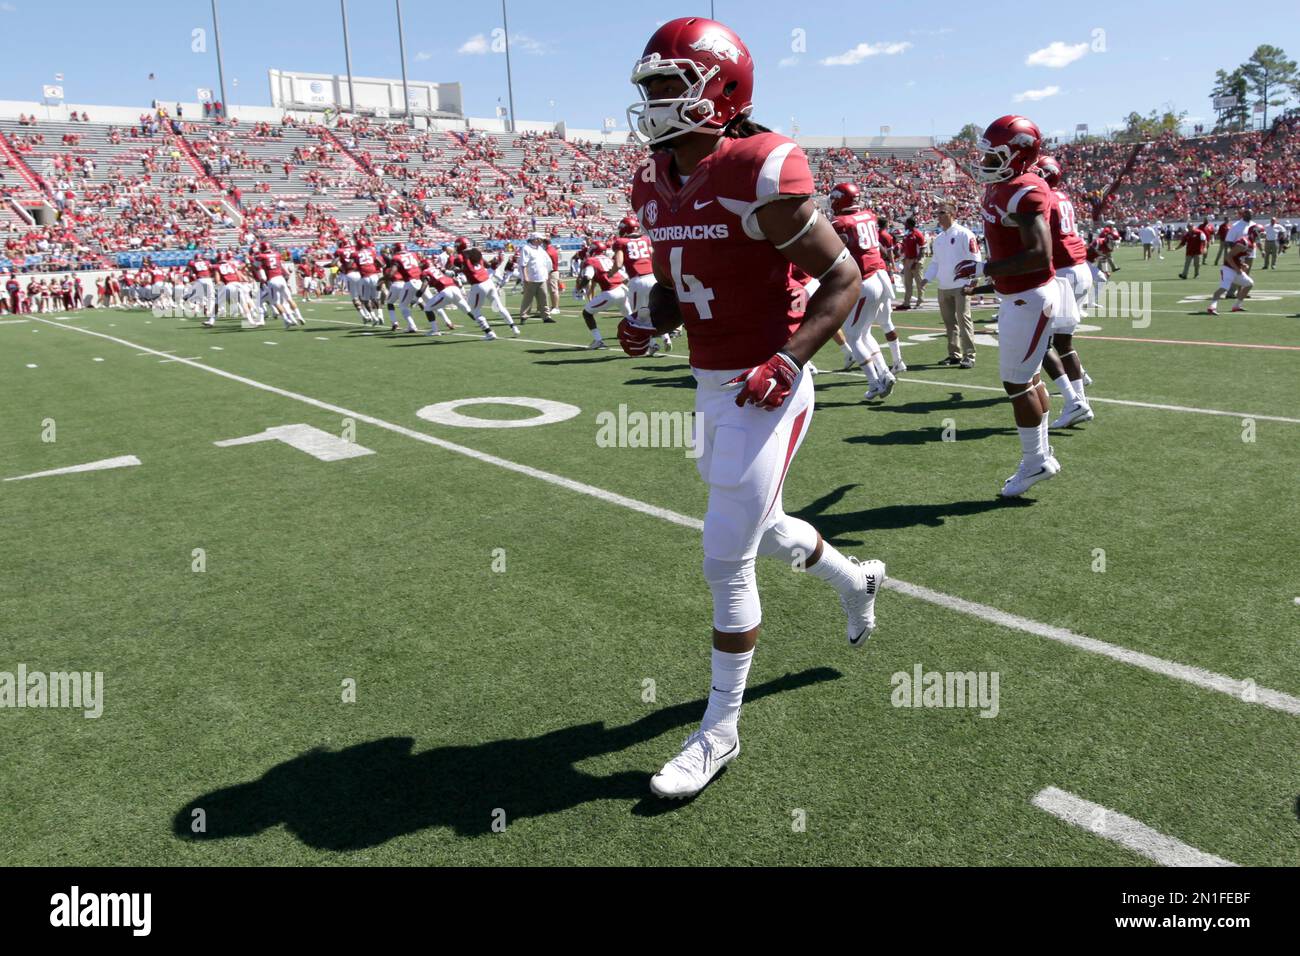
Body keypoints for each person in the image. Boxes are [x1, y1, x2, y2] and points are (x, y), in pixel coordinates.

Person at [621, 16, 886, 799]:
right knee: (763, 524)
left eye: (672, 82)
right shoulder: (652, 180)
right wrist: (649, 319)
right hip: (713, 381)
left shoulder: (761, 167)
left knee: (725, 552)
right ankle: (854, 580)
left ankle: (719, 732)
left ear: (720, 88)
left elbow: (844, 281)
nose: (657, 99)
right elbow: (681, 290)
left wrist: (790, 357)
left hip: (769, 379)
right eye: (652, 86)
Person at [955, 115, 1060, 498]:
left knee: (1016, 383)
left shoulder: (1024, 190)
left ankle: (1035, 462)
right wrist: (988, 280)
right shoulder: (1003, 186)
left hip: (1028, 297)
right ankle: (1041, 454)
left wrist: (985, 267)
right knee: (1028, 379)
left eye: (993, 155)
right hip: (1015, 294)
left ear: (1018, 154)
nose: (984, 162)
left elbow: (1038, 255)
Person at [926, 204, 980, 368]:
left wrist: (973, 280)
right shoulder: (939, 238)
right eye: (937, 213)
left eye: (942, 212)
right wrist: (926, 278)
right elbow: (935, 262)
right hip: (943, 286)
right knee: (949, 322)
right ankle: (954, 354)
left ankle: (969, 355)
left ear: (952, 214)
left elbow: (975, 257)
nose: (938, 216)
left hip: (961, 284)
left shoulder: (965, 234)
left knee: (964, 319)